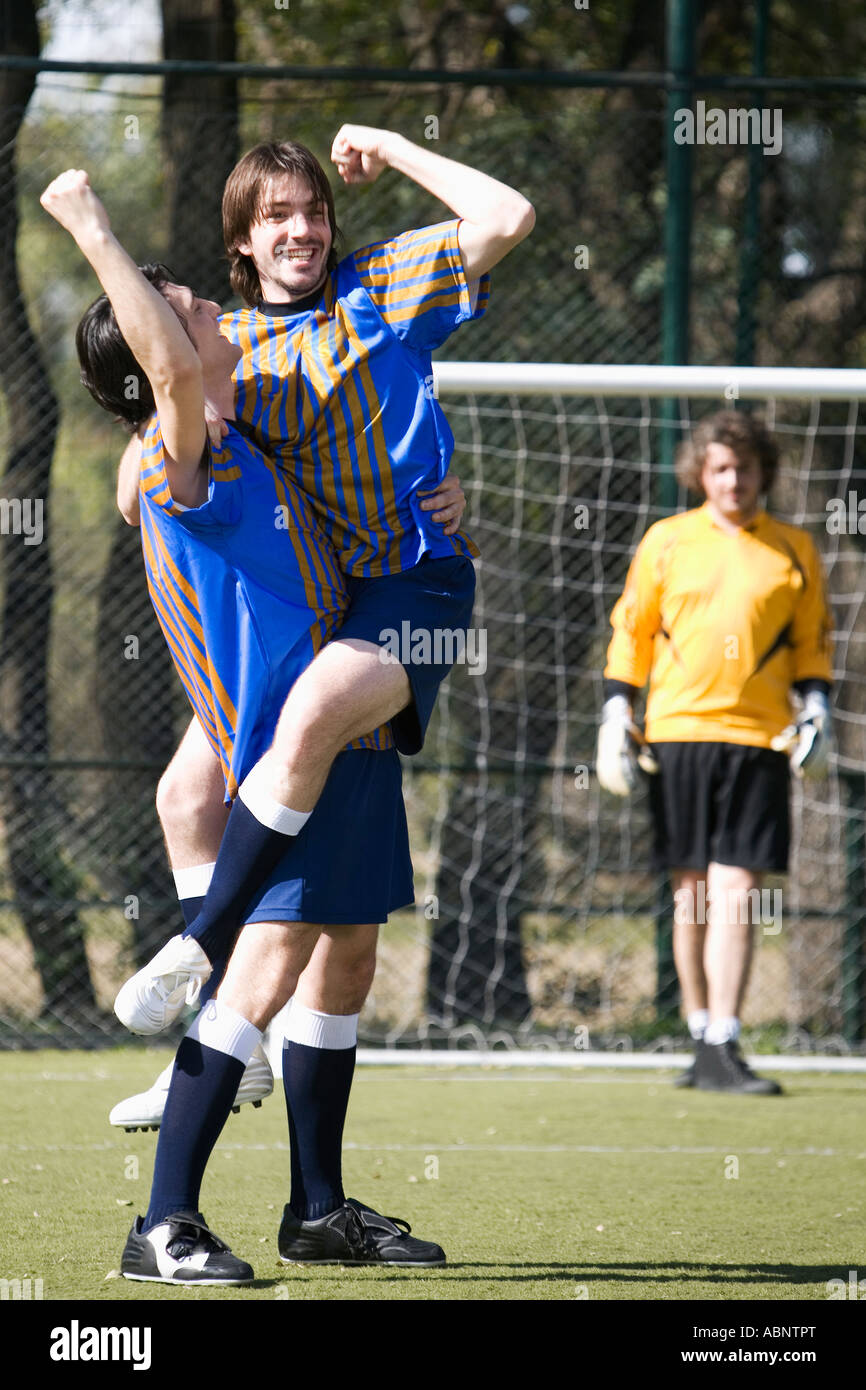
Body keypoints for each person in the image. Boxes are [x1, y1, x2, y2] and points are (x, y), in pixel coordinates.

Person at [41, 169, 444, 1281]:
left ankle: (318, 1207)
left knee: (346, 955)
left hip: (339, 741)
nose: (205, 304)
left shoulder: (238, 438)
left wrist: (431, 505)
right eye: (179, 301)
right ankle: (160, 1223)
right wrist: (91, 229)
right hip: (289, 765)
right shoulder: (178, 455)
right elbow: (164, 366)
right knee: (258, 977)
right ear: (154, 350)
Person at [111, 125, 534, 1035]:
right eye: (278, 217)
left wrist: (390, 145)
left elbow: (507, 215)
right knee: (186, 795)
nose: (302, 230)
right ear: (243, 241)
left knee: (344, 924)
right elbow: (139, 468)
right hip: (298, 619)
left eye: (315, 212)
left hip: (394, 603)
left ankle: (214, 999)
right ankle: (214, 1007)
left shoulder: (376, 287)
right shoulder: (225, 356)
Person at [596, 411, 833, 1094]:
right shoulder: (667, 541)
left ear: (765, 473)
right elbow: (631, 630)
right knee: (691, 895)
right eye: (722, 468)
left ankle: (726, 1037)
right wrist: (617, 710)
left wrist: (816, 706)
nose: (734, 480)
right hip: (676, 734)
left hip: (759, 739)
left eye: (746, 468)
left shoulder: (793, 549)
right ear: (702, 473)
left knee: (738, 891)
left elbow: (812, 642)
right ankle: (701, 1037)